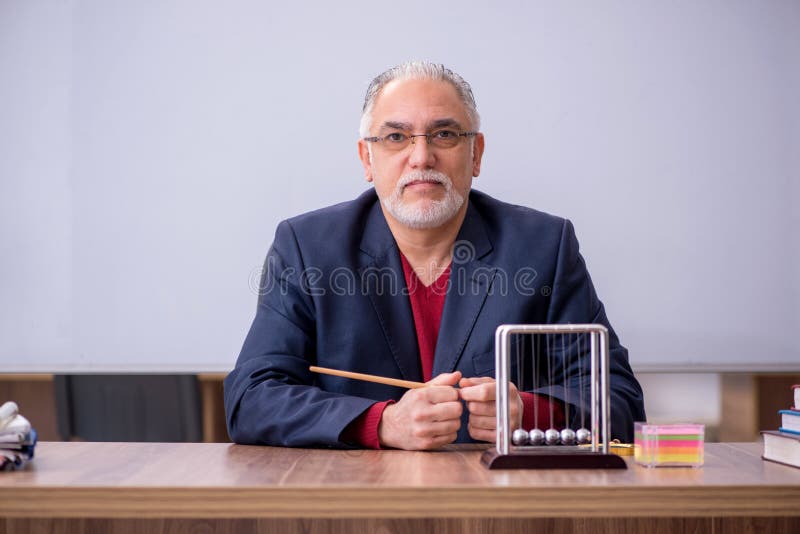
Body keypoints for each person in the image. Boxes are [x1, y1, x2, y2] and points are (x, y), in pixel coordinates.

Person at [224, 61, 645, 450]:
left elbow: (620, 399)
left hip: (498, 504)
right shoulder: (306, 246)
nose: (421, 156)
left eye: (444, 134)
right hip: (354, 502)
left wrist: (529, 413)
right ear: (366, 158)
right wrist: (381, 423)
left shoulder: (543, 245)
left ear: (476, 153)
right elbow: (251, 398)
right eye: (395, 137)